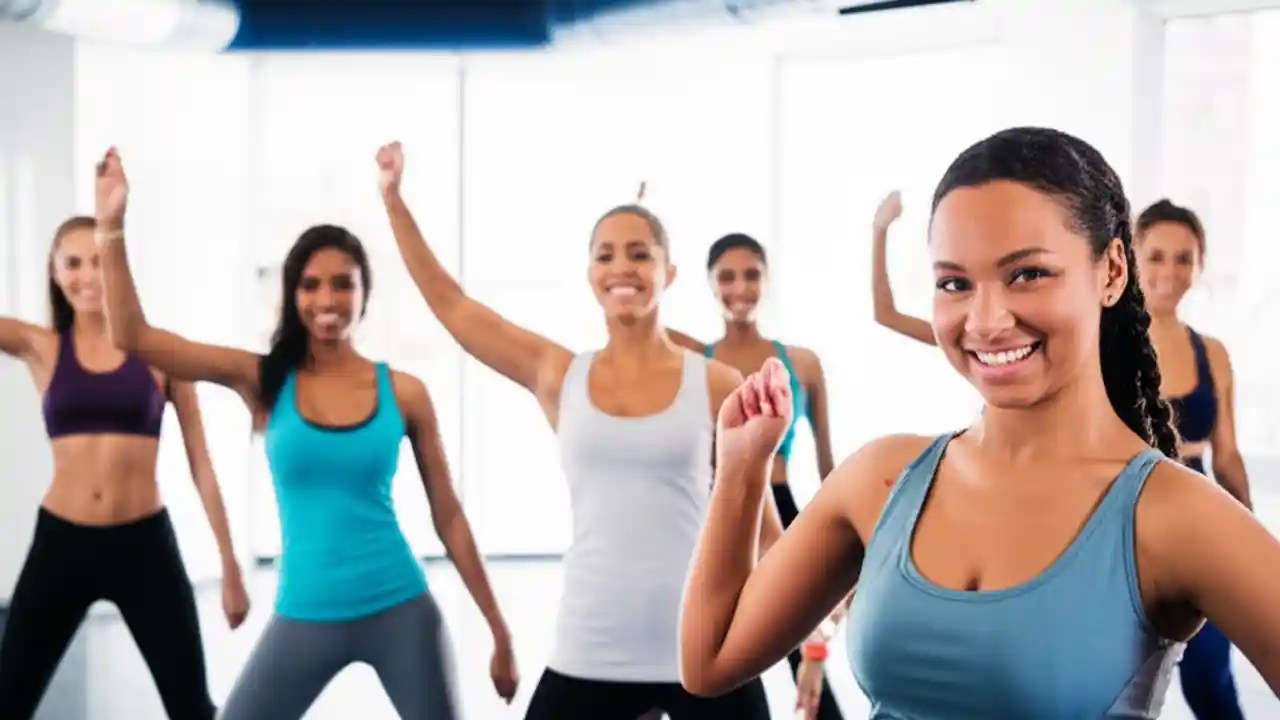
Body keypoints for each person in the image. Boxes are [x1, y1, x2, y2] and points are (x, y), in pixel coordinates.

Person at [680, 127, 1280, 718]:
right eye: (954, 284)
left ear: (1112, 271)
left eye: (1028, 274)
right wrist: (741, 467)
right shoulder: (882, 480)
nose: (986, 321)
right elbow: (711, 663)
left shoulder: (1172, 515)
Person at [93, 147, 517, 719]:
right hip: (305, 611)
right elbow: (134, 338)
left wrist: (498, 629)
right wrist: (111, 227)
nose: (327, 300)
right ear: (293, 294)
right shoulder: (263, 380)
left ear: (365, 292)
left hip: (401, 607)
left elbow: (450, 517)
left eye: (343, 284)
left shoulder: (406, 393)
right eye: (311, 284)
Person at [376, 141, 780, 719]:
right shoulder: (559, 374)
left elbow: (763, 527)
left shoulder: (716, 382)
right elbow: (455, 309)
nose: (622, 269)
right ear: (590, 272)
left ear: (668, 272)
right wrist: (394, 201)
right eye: (605, 255)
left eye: (639, 254)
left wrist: (813, 640)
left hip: (705, 648)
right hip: (592, 648)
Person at [0, 216, 248, 719]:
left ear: (119, 264)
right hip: (61, 545)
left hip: (144, 546)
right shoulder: (43, 347)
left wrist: (229, 563)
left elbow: (202, 465)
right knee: (9, 702)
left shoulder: (162, 354)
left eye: (99, 259)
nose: (87, 275)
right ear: (54, 272)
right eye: (73, 263)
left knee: (192, 709)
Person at [666, 233, 843, 720]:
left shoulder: (802, 363)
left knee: (807, 668)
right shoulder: (691, 358)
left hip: (782, 511)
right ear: (707, 283)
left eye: (751, 275)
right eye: (726, 276)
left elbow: (828, 465)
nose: (739, 287)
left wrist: (846, 544)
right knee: (709, 657)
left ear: (767, 281)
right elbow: (634, 309)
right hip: (716, 516)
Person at [1134, 198, 1253, 719]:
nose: (1170, 272)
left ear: (1200, 265)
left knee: (1212, 682)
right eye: (1156, 256)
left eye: (1184, 258)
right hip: (1126, 524)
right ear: (1128, 256)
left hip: (1203, 527)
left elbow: (1226, 457)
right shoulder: (1093, 343)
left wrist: (1255, 543)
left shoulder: (1214, 353)